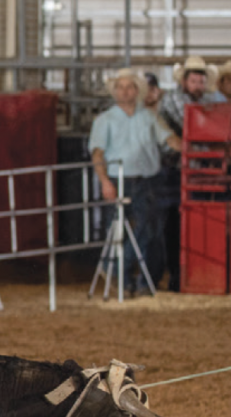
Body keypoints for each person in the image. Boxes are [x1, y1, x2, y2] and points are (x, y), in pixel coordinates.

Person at [89, 68, 172, 298]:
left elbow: (168, 139)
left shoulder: (150, 117)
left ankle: (120, 272)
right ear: (115, 92)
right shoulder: (105, 120)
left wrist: (188, 145)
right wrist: (105, 181)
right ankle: (128, 280)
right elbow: (97, 154)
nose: (125, 92)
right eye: (121, 87)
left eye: (130, 87)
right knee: (122, 230)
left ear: (137, 91)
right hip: (118, 178)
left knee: (146, 230)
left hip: (145, 179)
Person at [154, 56, 228, 290]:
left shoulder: (208, 100)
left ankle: (187, 277)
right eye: (194, 80)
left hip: (196, 170)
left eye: (201, 81)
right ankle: (178, 276)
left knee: (195, 222)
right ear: (184, 82)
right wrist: (220, 146)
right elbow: (194, 127)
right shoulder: (176, 99)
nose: (198, 85)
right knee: (175, 225)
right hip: (175, 171)